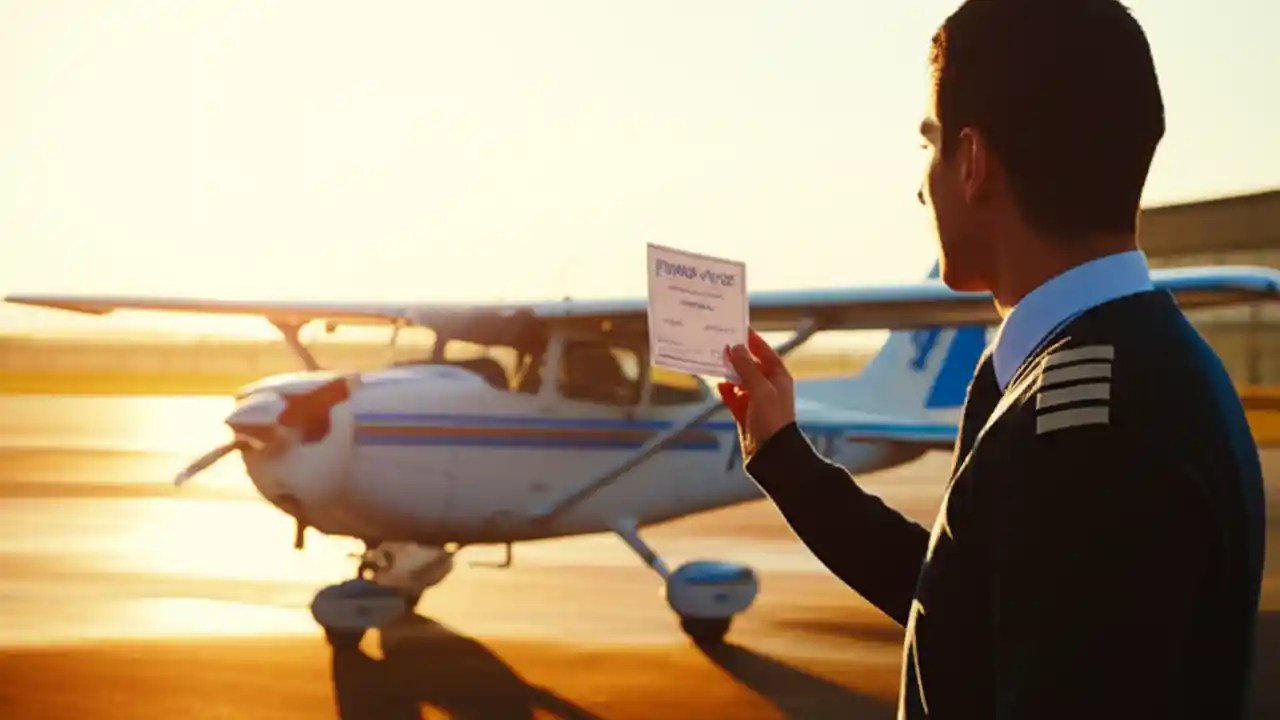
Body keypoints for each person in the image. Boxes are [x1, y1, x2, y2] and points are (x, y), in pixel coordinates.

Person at [718, 1, 1266, 718]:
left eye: (930, 143)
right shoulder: (1131, 368)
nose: (921, 184)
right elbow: (967, 599)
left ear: (973, 163)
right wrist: (784, 455)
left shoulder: (1086, 430)